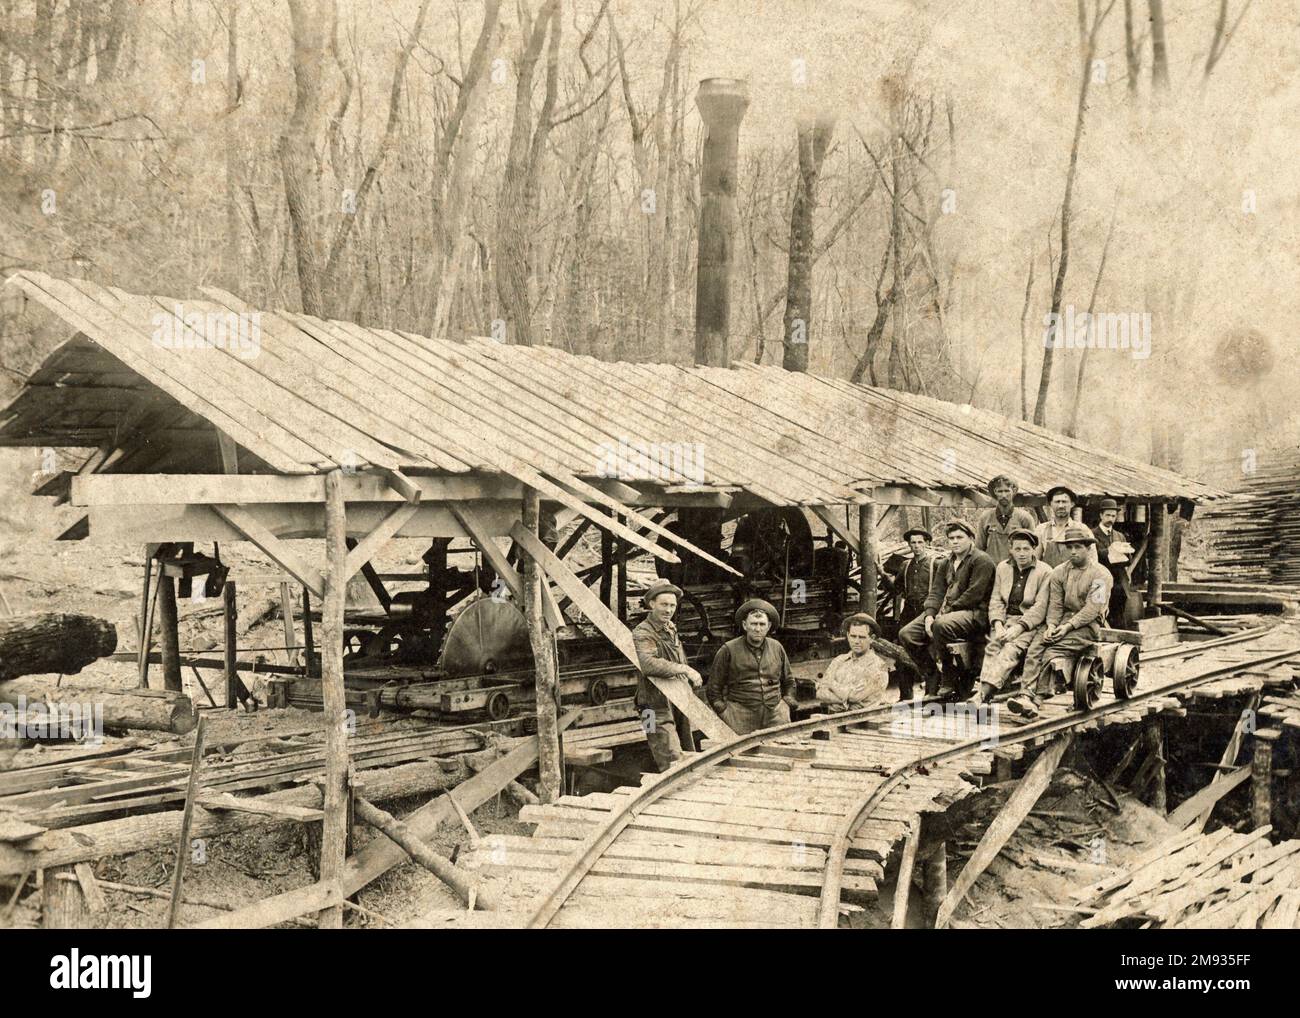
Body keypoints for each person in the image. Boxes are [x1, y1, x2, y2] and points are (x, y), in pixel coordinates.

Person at [1008, 525, 1113, 718]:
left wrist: (1067, 627)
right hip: (1061, 621)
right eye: (1070, 547)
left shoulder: (1101, 575)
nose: (1073, 552)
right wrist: (1051, 626)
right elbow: (1055, 604)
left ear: (1088, 548)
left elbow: (1092, 608)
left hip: (1087, 625)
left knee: (1052, 651)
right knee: (1036, 646)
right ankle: (1025, 694)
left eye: (1078, 547)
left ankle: (1037, 700)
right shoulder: (1059, 572)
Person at [897, 521, 996, 699]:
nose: (955, 542)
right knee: (907, 634)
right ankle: (932, 673)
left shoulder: (982, 560)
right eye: (951, 538)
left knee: (941, 624)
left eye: (960, 537)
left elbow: (974, 594)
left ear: (971, 538)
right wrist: (929, 615)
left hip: (975, 613)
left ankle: (949, 675)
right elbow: (936, 592)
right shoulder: (946, 562)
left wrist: (944, 612)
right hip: (949, 612)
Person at [966, 529, 1053, 703]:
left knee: (1010, 651)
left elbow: (1040, 607)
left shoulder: (1045, 571)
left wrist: (1019, 627)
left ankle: (981, 695)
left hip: (1028, 623)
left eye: (1026, 549)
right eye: (1018, 549)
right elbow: (996, 599)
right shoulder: (1003, 568)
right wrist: (998, 624)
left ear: (1034, 549)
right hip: (1005, 620)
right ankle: (988, 690)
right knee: (992, 647)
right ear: (1011, 549)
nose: (1022, 553)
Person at [632, 579, 705, 771]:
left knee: (688, 755)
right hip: (650, 706)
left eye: (672, 605)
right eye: (664, 604)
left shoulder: (670, 628)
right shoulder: (642, 632)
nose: (668, 610)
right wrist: (685, 670)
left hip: (676, 699)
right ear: (652, 604)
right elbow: (648, 664)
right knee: (670, 758)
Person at [707, 598, 797, 735]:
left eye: (762, 624)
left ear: (769, 626)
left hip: (776, 715)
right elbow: (713, 689)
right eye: (753, 624)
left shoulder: (777, 647)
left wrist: (787, 703)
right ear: (744, 625)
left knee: (782, 749)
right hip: (740, 716)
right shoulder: (728, 649)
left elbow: (789, 681)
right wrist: (725, 712)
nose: (757, 629)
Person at [816, 613, 891, 711]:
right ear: (848, 635)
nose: (856, 641)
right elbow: (820, 693)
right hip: (834, 720)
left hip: (863, 722)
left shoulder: (879, 666)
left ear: (871, 638)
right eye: (853, 636)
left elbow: (856, 696)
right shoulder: (839, 660)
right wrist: (846, 700)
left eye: (862, 637)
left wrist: (830, 683)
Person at [1092, 498, 1135, 629]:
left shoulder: (1119, 536)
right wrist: (1111, 551)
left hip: (1119, 582)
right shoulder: (1092, 534)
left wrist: (1126, 552)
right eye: (1107, 515)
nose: (1111, 518)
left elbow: (1129, 559)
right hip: (1100, 581)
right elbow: (1094, 556)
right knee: (1099, 612)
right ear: (1101, 515)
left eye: (1113, 516)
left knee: (1118, 615)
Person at [975, 475, 1039, 565]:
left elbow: (1033, 548)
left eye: (1007, 491)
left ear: (1013, 491)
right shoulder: (985, 517)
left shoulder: (1024, 518)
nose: (1004, 495)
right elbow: (979, 548)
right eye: (1000, 491)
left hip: (1016, 568)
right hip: (991, 569)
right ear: (995, 492)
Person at [892, 527, 937, 630]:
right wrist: (882, 573)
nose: (917, 546)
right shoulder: (905, 565)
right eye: (913, 542)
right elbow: (895, 589)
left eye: (920, 542)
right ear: (909, 544)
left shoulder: (935, 564)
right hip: (909, 610)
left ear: (926, 543)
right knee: (902, 635)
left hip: (926, 611)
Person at [1035, 485, 1078, 568]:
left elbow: (1092, 562)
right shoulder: (1041, 529)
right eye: (1057, 502)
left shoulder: (1082, 529)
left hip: (1074, 578)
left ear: (1072, 504)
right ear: (1051, 504)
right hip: (1048, 578)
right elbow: (1035, 561)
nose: (1061, 506)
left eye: (1064, 501)